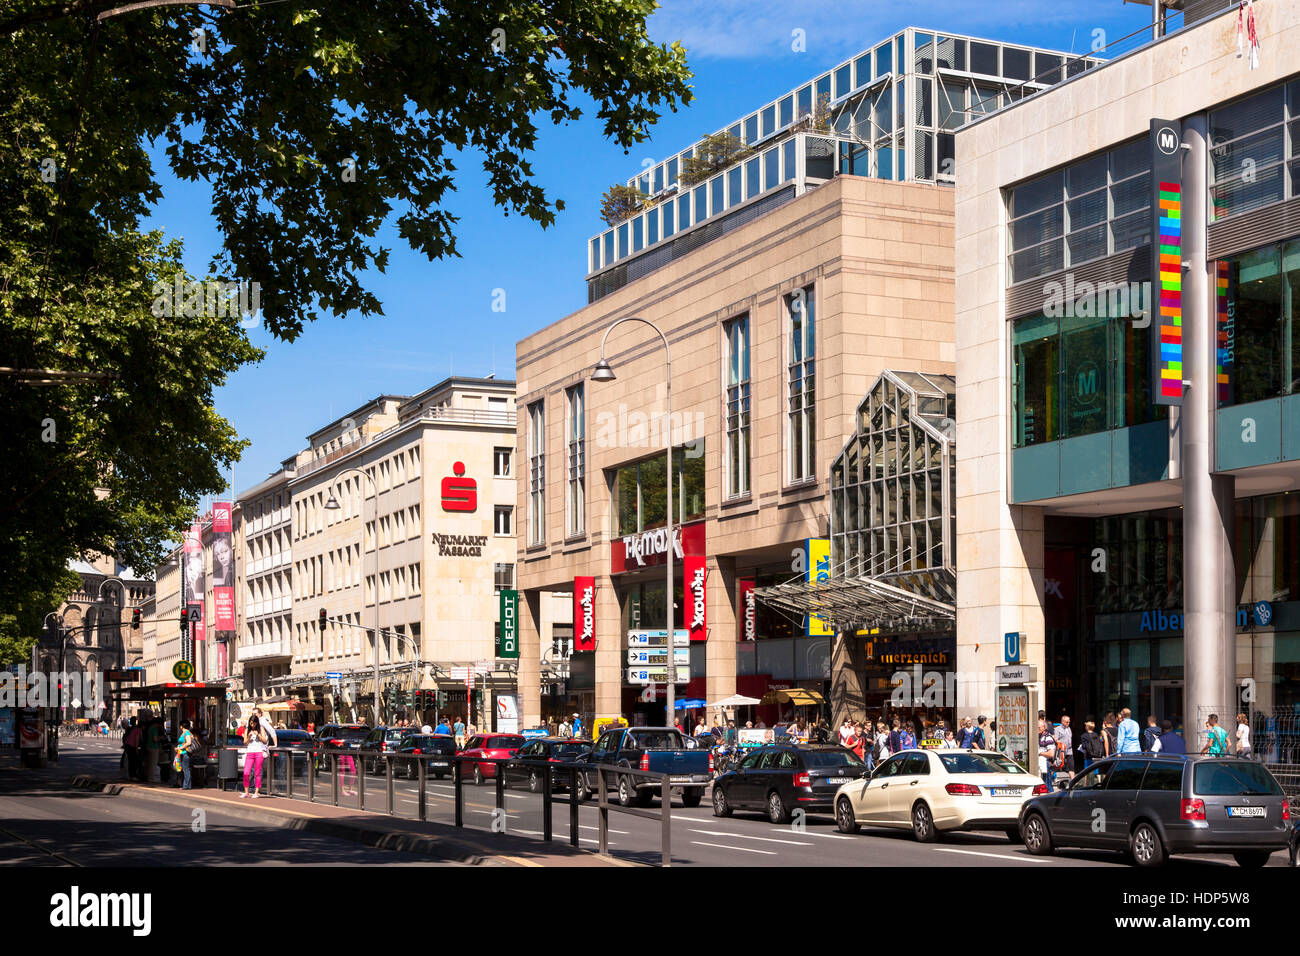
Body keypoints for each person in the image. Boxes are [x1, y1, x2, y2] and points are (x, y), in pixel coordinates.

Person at [242, 715, 268, 798]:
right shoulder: (247, 729)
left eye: (254, 724)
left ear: (257, 723)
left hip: (258, 753)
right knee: (246, 772)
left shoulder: (261, 729)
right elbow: (245, 743)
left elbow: (264, 741)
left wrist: (258, 735)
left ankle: (256, 792)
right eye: (251, 723)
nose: (252, 725)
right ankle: (246, 792)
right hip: (250, 753)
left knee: (257, 772)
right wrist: (249, 736)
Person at [176, 719, 197, 790]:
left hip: (185, 753)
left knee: (186, 769)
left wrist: (181, 747)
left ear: (181, 726)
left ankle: (186, 786)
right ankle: (187, 785)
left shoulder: (187, 733)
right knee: (185, 769)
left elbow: (189, 742)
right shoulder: (184, 733)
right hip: (182, 753)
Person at [1037, 718, 1057, 792]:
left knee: (1047, 786)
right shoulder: (1039, 736)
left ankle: (1051, 801)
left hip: (1046, 764)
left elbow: (1051, 754)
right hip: (1041, 764)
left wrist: (1039, 753)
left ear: (1044, 727)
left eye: (1039, 727)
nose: (1037, 729)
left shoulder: (1047, 737)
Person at [144, 716, 163, 783]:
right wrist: (161, 737)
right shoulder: (154, 728)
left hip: (149, 746)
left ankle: (149, 777)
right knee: (153, 763)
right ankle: (151, 778)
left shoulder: (150, 728)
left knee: (150, 763)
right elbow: (155, 739)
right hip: (153, 747)